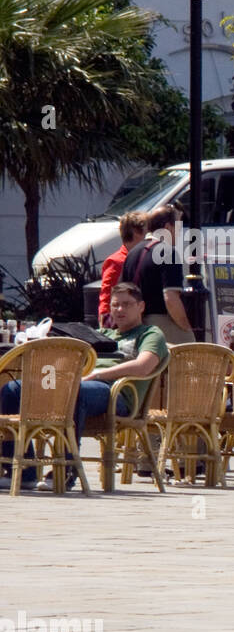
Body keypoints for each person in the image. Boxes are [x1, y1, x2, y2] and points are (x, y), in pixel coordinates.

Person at [0, 282, 168, 490]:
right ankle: (22, 472)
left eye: (126, 304)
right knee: (13, 389)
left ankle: (67, 470)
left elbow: (143, 367)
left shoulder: (150, 333)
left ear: (141, 306)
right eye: (115, 305)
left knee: (74, 392)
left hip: (117, 394)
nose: (120, 310)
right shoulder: (100, 334)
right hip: (78, 383)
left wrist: (98, 374)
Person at [123, 205, 195, 344]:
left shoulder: (132, 253)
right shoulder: (169, 252)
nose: (179, 234)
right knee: (191, 356)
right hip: (162, 324)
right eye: (178, 228)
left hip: (136, 324)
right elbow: (171, 298)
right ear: (168, 227)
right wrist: (186, 327)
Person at [98, 212, 147, 327]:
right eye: (147, 231)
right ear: (136, 233)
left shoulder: (139, 257)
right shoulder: (117, 261)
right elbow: (107, 296)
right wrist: (106, 326)